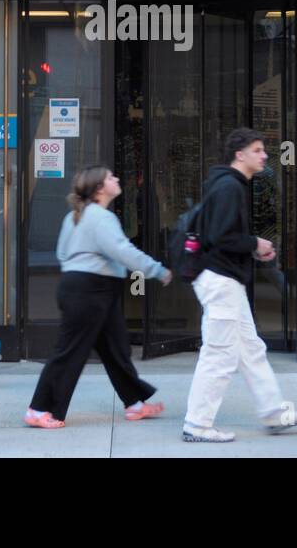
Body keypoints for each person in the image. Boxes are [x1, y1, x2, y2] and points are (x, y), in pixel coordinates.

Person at [182, 127, 297, 443]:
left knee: (251, 349)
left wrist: (253, 246)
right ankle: (198, 425)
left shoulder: (229, 185)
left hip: (225, 280)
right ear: (239, 155)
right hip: (221, 280)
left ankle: (273, 412)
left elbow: (220, 236)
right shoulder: (230, 188)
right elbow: (221, 237)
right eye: (257, 150)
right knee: (220, 354)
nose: (264, 155)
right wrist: (256, 242)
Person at [25, 166, 172, 428]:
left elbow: (62, 254)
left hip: (88, 288)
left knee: (117, 349)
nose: (117, 179)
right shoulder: (101, 218)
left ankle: (135, 404)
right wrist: (157, 270)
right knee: (70, 352)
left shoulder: (75, 217)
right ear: (100, 188)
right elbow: (123, 251)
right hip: (89, 291)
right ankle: (38, 409)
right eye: (111, 177)